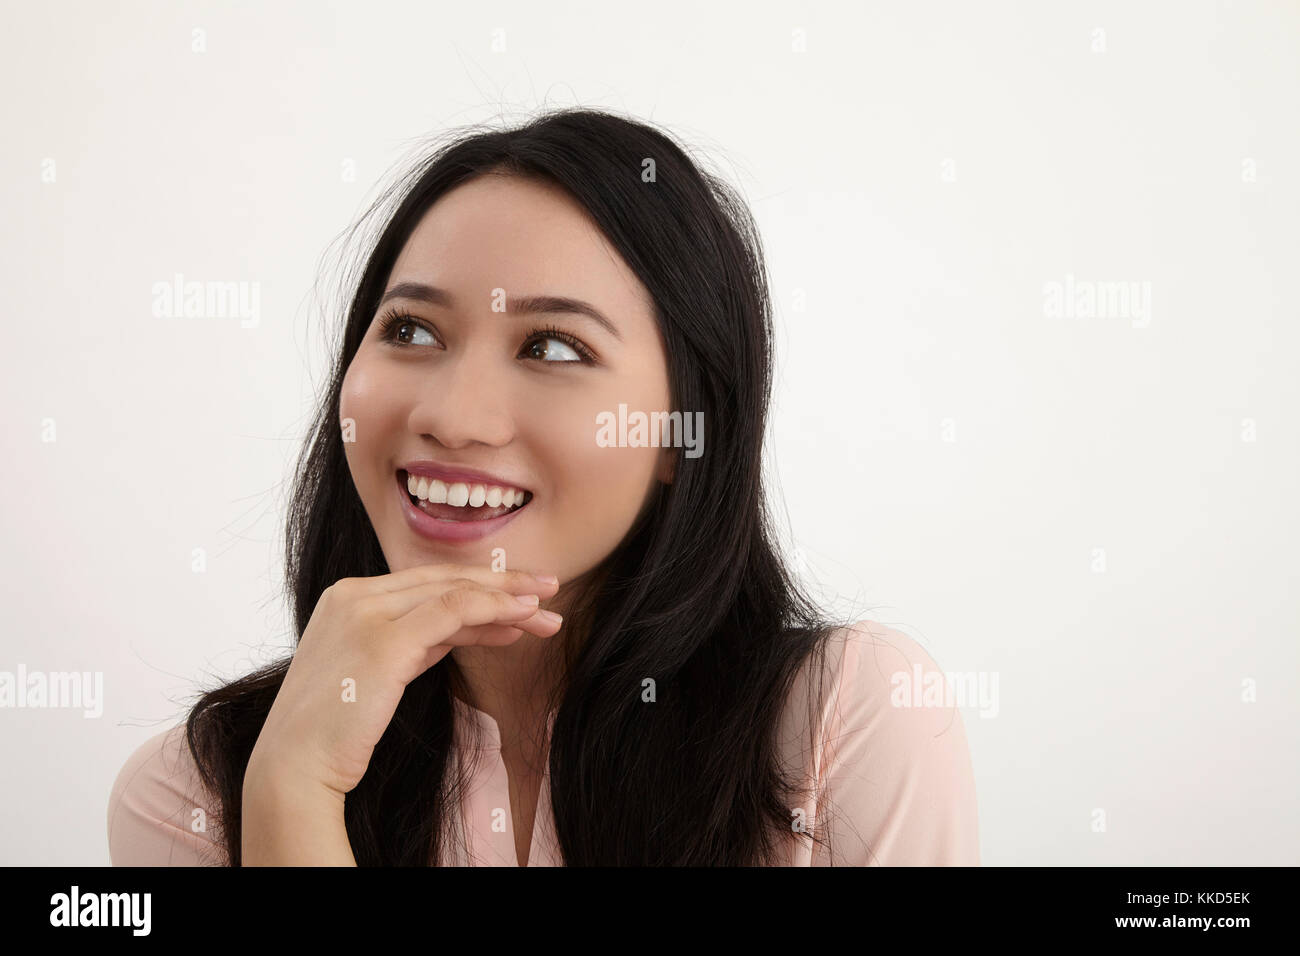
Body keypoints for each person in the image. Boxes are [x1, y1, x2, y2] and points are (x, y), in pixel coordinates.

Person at [106, 107, 979, 866]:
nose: (454, 415)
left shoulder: (846, 727)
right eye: (409, 329)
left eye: (552, 346)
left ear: (682, 431)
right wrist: (292, 795)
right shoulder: (199, 794)